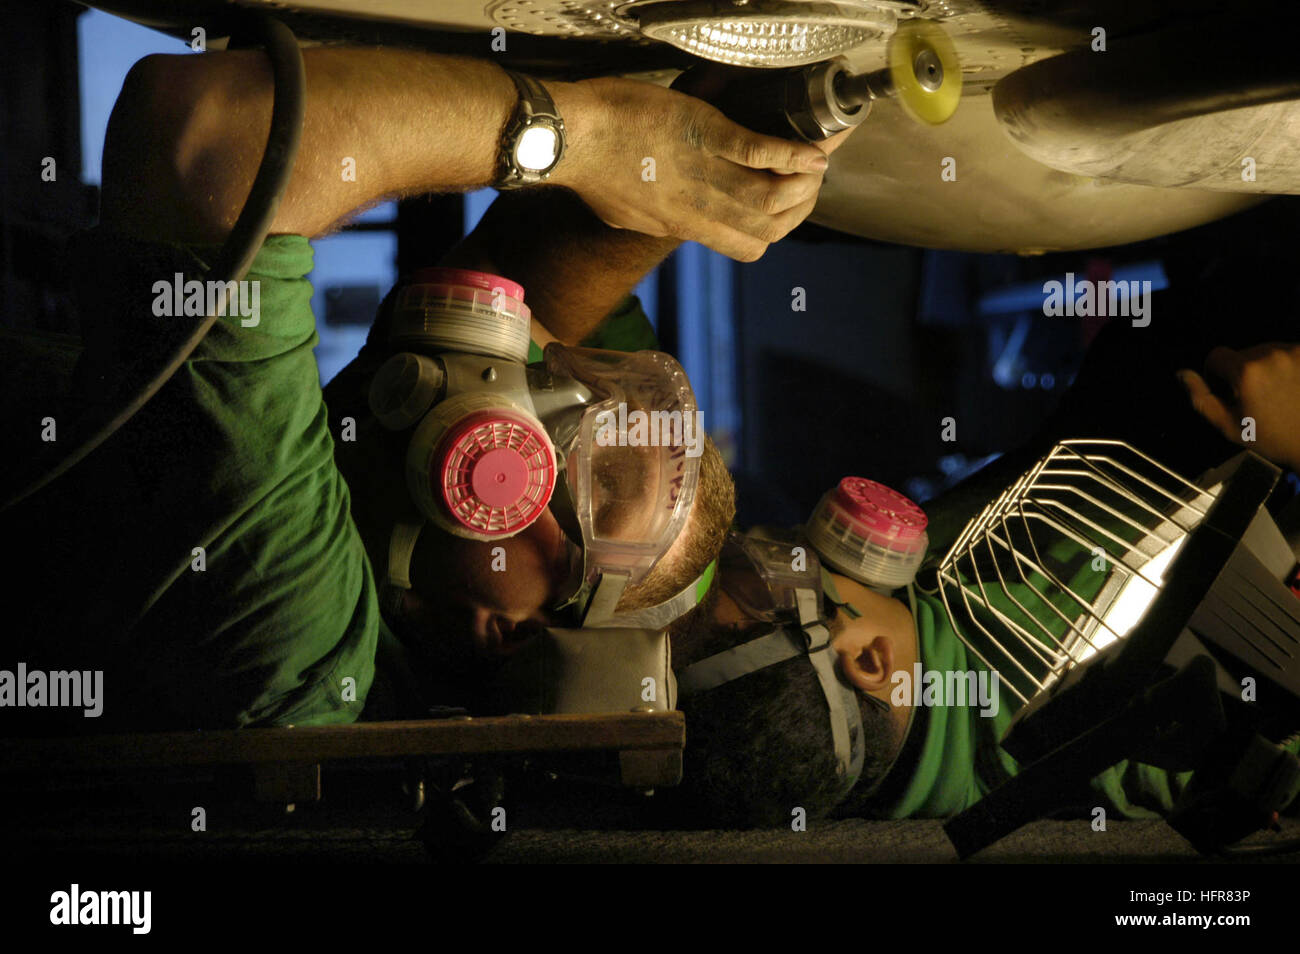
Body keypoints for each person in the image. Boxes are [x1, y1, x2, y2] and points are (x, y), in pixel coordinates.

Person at [2, 45, 839, 732]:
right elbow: (582, 244)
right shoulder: (424, 554)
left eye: (592, 475)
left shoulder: (299, 657)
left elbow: (204, 131)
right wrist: (750, 132)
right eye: (583, 385)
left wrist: (582, 139)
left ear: (510, 632)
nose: (549, 369)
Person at [664, 326, 1300, 828]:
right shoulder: (1153, 731)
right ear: (869, 660)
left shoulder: (923, 625)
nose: (803, 544)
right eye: (783, 573)